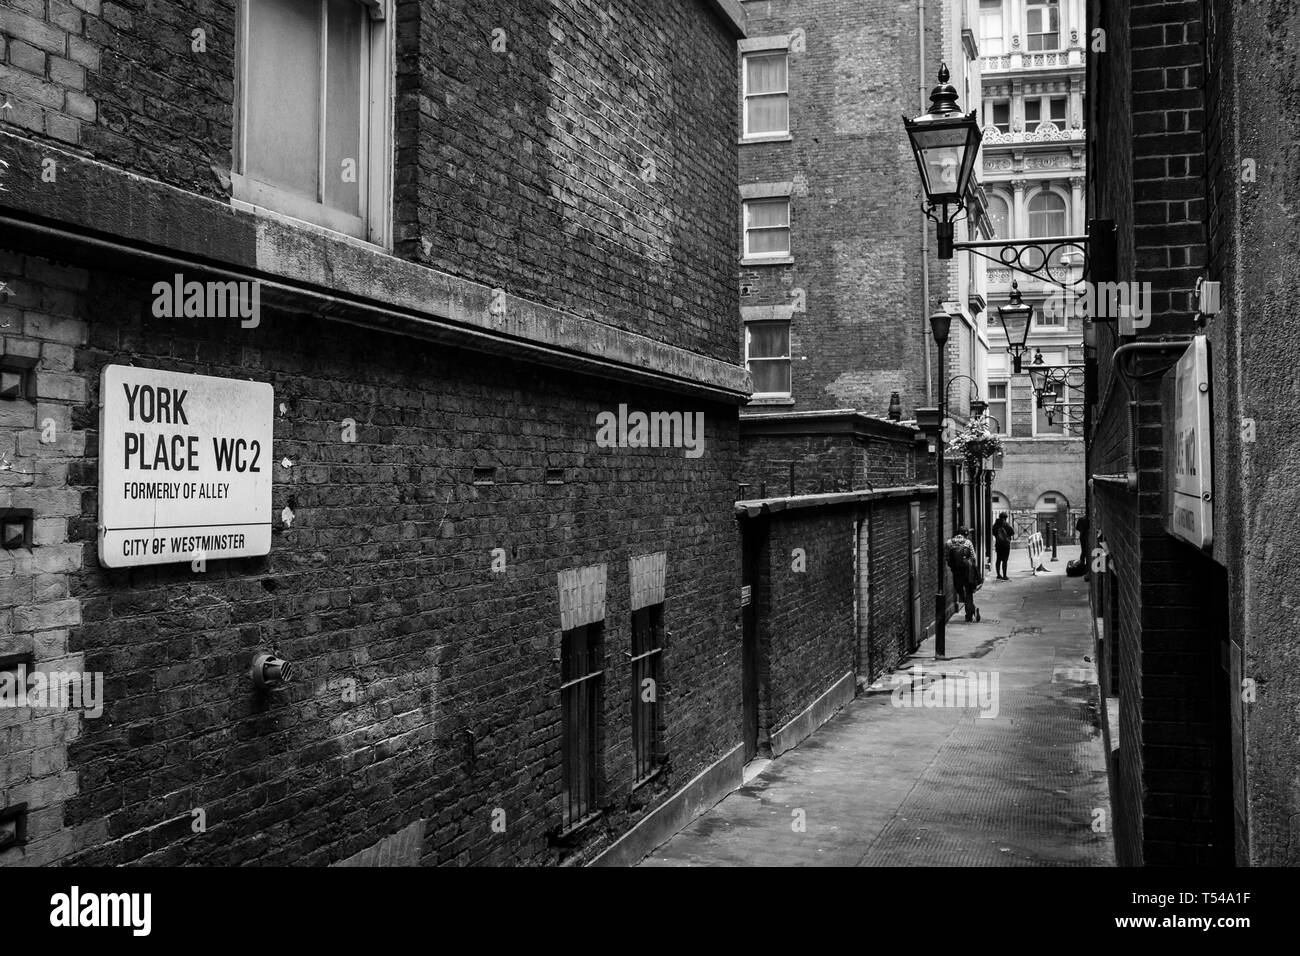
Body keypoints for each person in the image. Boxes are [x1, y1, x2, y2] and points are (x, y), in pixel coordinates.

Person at [945, 527, 980, 623]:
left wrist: (953, 565)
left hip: (956, 571)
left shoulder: (949, 543)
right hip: (967, 571)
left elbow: (947, 557)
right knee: (969, 591)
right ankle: (971, 612)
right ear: (966, 534)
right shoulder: (968, 542)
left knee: (960, 590)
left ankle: (971, 611)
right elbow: (974, 557)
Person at [993, 514, 1015, 580]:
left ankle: (998, 575)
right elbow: (1012, 532)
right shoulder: (1006, 524)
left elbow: (993, 533)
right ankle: (1004, 575)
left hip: (998, 544)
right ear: (1006, 518)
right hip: (1006, 545)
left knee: (998, 559)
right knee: (1005, 560)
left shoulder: (996, 524)